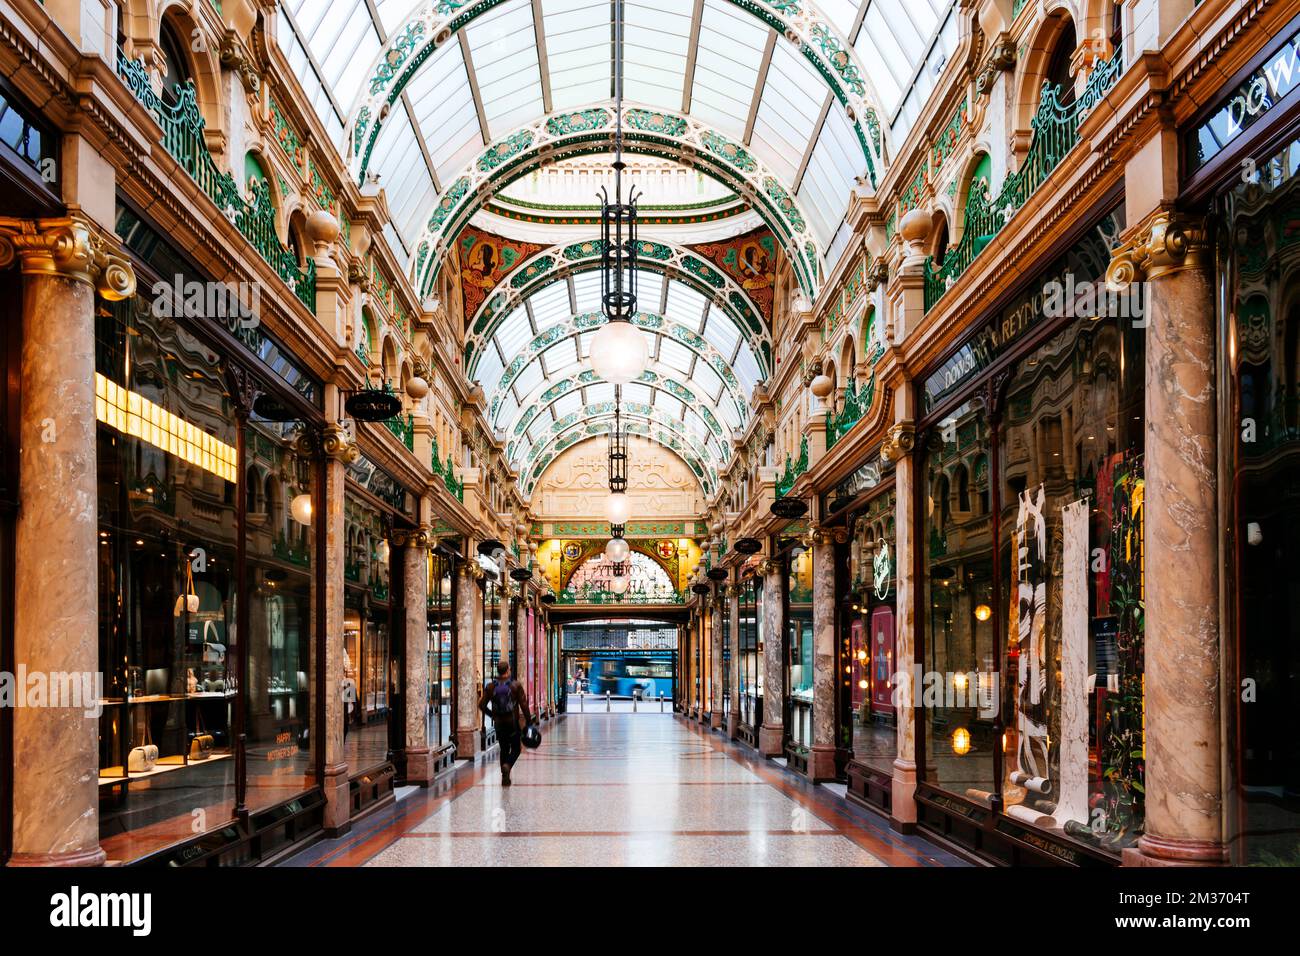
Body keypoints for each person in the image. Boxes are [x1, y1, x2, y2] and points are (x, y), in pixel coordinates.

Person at [478, 661, 534, 786]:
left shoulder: (490, 686)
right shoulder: (515, 685)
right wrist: (529, 721)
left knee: (503, 748)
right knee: (516, 749)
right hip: (512, 723)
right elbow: (524, 705)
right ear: (508, 670)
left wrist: (492, 715)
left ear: (498, 671)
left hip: (499, 724)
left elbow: (481, 705)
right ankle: (507, 766)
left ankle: (505, 778)